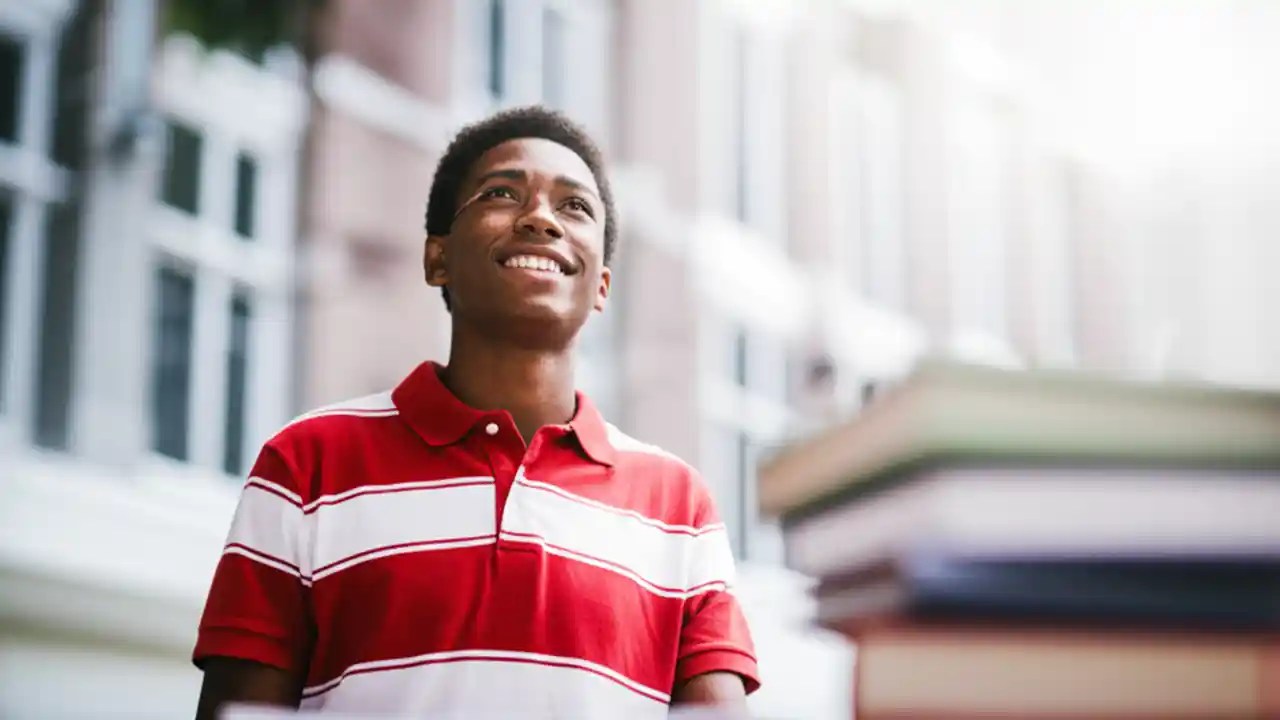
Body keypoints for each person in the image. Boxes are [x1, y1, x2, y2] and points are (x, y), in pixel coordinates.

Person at [194, 106, 760, 719]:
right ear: (437, 258)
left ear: (601, 284)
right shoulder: (306, 464)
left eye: (575, 207)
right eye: (501, 193)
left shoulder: (680, 506)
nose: (541, 217)